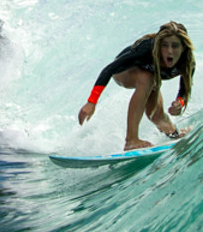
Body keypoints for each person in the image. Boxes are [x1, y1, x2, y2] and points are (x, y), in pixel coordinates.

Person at [78, 21, 196, 151]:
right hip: (123, 73)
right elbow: (109, 69)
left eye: (175, 46)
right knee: (147, 77)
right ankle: (131, 140)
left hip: (151, 77)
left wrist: (180, 102)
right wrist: (91, 102)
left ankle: (174, 134)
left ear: (183, 47)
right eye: (165, 46)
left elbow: (184, 90)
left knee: (156, 114)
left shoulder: (187, 63)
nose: (169, 51)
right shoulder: (146, 49)